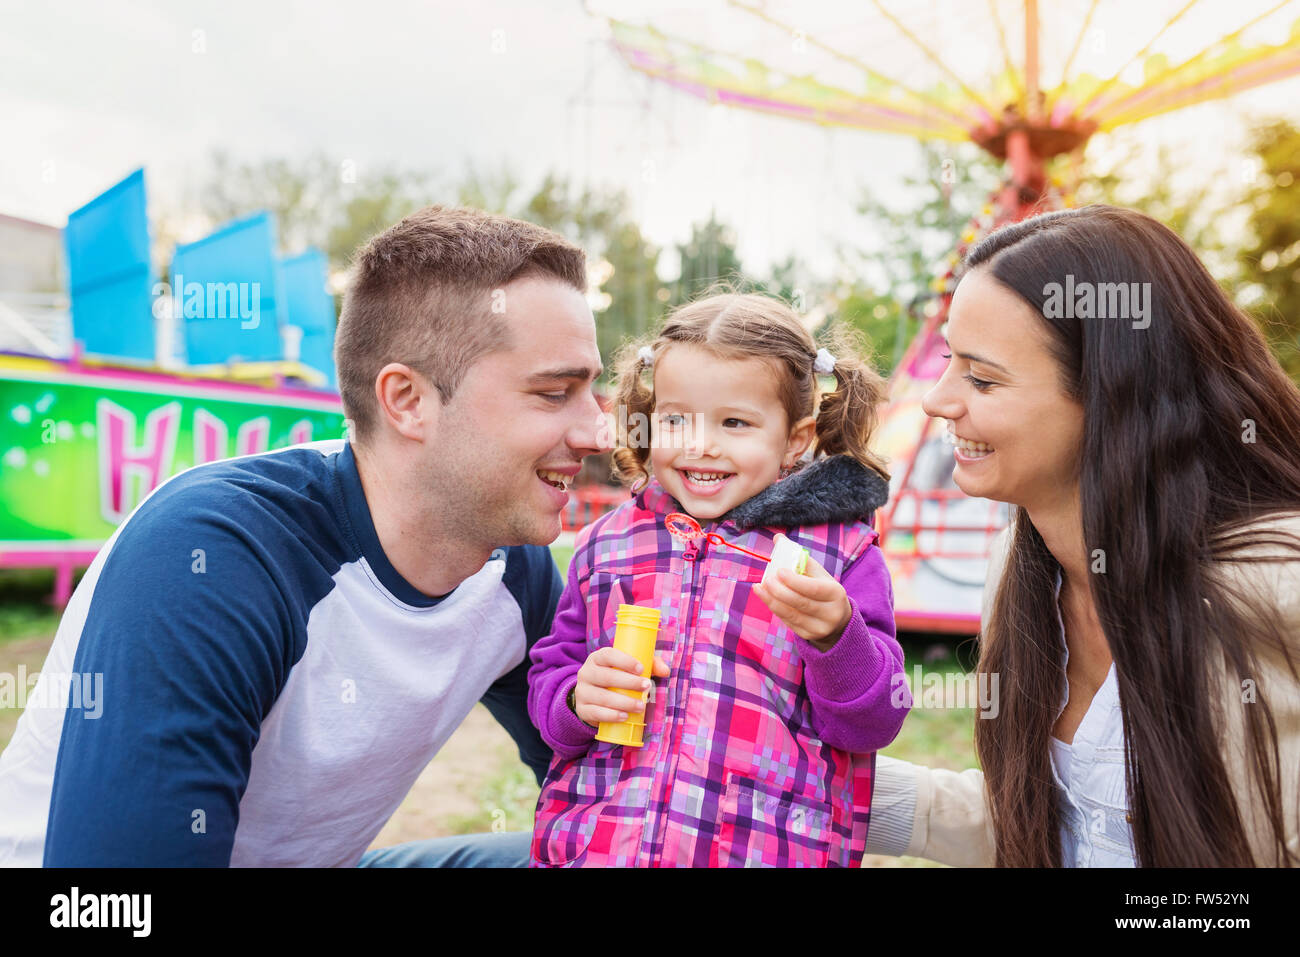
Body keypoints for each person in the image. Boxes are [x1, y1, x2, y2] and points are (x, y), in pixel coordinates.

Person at [0, 206, 608, 867]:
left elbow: (610, 796)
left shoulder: (516, 572)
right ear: (407, 400)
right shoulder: (212, 559)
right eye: (554, 393)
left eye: (592, 392)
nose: (598, 431)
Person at [866, 204, 1300, 867]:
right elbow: (1065, 823)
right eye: (950, 361)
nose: (939, 399)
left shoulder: (1274, 585)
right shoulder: (1023, 563)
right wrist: (807, 776)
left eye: (981, 377)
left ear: (1110, 395)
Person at [527, 292, 909, 867]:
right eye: (676, 419)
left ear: (796, 439)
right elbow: (551, 679)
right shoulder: (606, 545)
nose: (700, 444)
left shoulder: (840, 555)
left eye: (734, 422)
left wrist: (837, 638)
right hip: (597, 850)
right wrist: (579, 699)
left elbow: (873, 721)